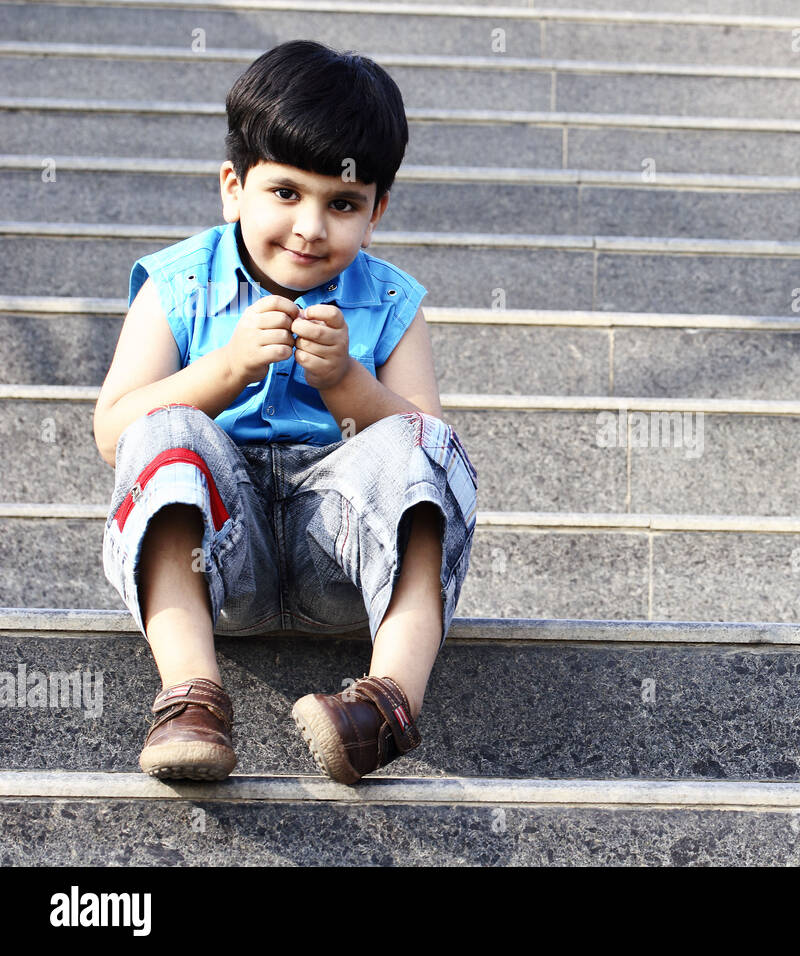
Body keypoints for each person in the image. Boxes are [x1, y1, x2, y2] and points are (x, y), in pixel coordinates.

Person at [91, 40, 477, 785]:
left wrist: (347, 386)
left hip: (339, 558)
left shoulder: (391, 302)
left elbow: (425, 447)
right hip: (218, 553)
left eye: (342, 205)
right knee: (166, 429)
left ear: (377, 212)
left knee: (425, 448)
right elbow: (115, 432)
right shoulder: (176, 285)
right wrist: (226, 368)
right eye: (286, 194)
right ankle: (191, 698)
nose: (310, 227)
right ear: (234, 187)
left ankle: (385, 706)